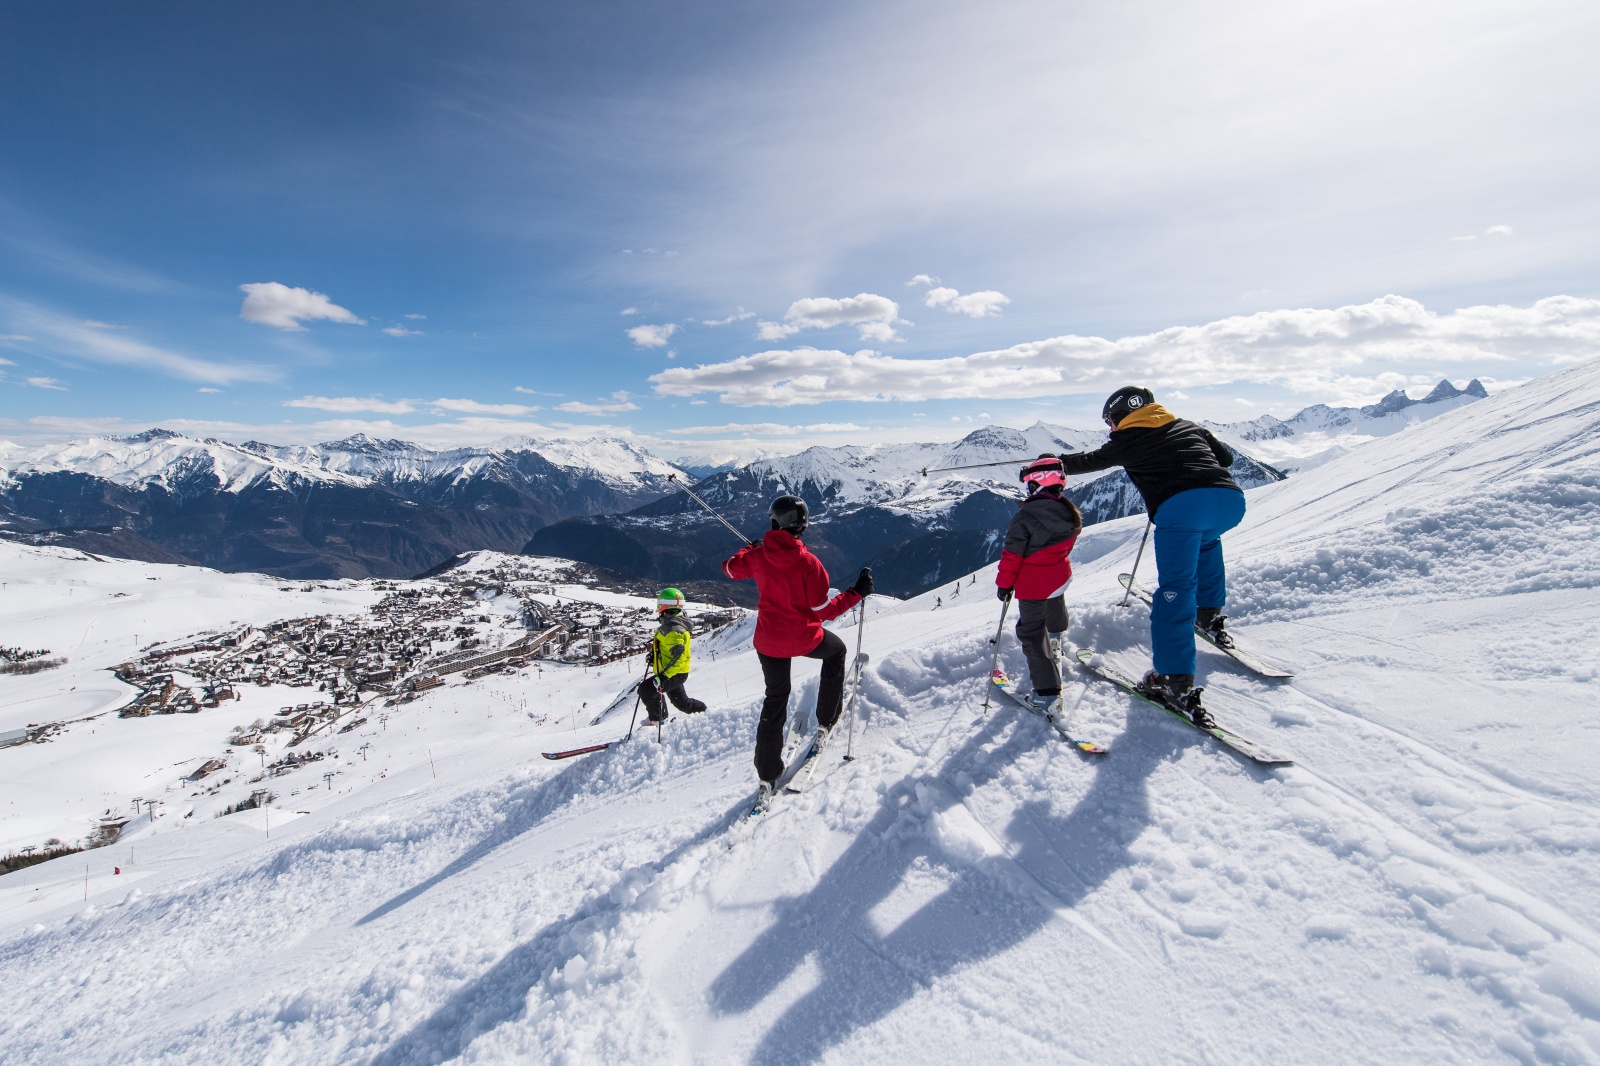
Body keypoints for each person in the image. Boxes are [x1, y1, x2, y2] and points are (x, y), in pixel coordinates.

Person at [1060, 387, 1244, 724]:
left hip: (1182, 510)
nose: (1110, 429)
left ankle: (1174, 682)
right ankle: (1209, 615)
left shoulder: (1128, 437)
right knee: (1207, 544)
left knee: (1175, 589)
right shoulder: (1189, 426)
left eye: (1109, 422)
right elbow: (1227, 460)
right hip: (1230, 502)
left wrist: (1055, 463)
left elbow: (1089, 461)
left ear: (1119, 417)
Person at [722, 495, 873, 790]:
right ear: (802, 525)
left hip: (768, 642)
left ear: (774, 521)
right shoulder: (809, 564)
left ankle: (768, 772)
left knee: (775, 699)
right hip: (804, 638)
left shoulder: (757, 557)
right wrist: (857, 593)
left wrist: (748, 550)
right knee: (837, 651)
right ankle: (827, 718)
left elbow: (729, 568)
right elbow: (824, 611)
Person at [995, 455, 1083, 711]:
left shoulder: (1026, 518)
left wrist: (1004, 584)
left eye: (1030, 485)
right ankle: (1055, 636)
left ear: (1039, 484)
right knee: (1055, 601)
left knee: (1031, 633)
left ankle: (1046, 694)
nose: (1028, 490)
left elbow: (1011, 557)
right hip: (1059, 577)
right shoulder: (1068, 512)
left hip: (1033, 586)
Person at [637, 588, 707, 723]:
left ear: (662, 605)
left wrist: (663, 677)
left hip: (674, 674)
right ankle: (705, 712)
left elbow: (679, 658)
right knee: (682, 703)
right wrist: (655, 655)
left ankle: (657, 721)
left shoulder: (673, 630)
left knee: (646, 689)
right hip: (675, 672)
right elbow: (668, 650)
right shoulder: (672, 624)